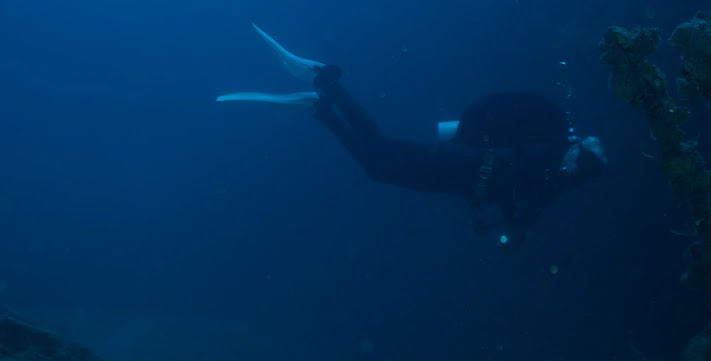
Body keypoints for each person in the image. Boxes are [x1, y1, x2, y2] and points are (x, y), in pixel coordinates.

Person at [217, 25, 606, 247]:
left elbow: (521, 203)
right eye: (579, 159)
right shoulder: (553, 153)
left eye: (579, 166)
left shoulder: (555, 181)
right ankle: (327, 82)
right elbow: (520, 168)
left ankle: (322, 112)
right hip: (462, 164)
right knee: (382, 148)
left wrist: (510, 226)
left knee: (376, 169)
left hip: (459, 181)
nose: (574, 163)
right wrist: (518, 216)